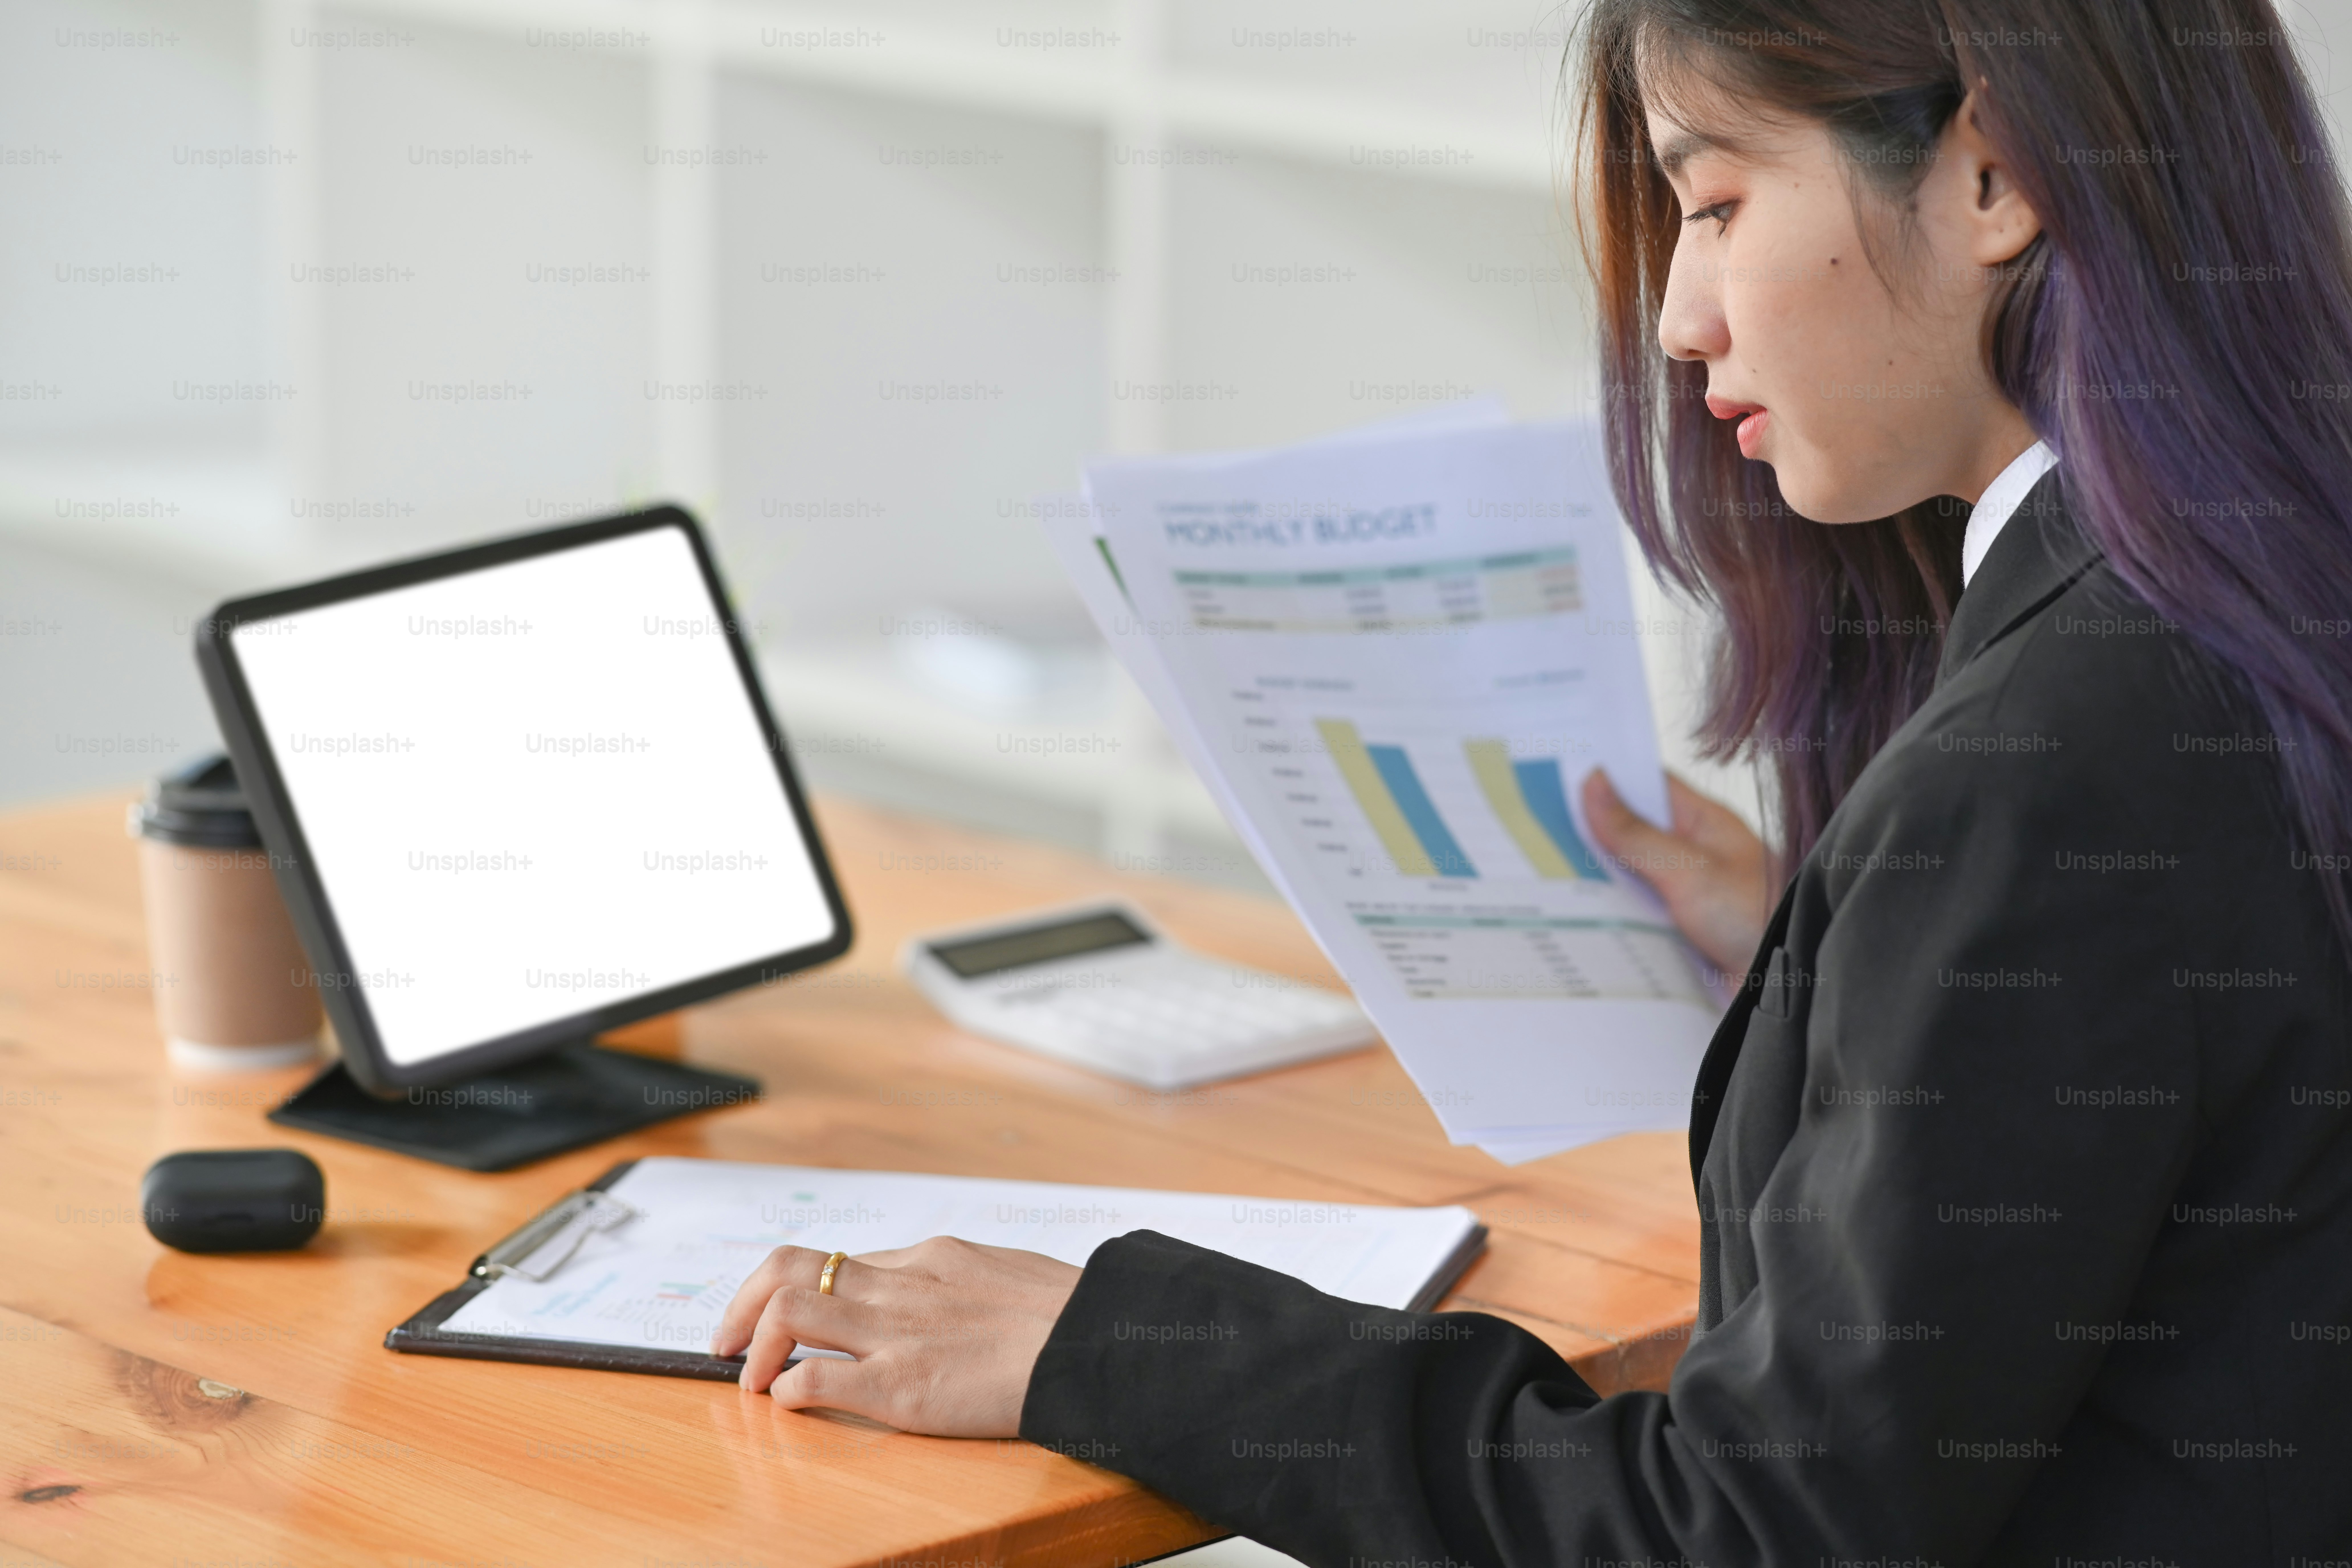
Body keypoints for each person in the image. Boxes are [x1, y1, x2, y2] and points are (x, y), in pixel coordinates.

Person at [713, 1, 2352, 1560]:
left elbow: (1739, 1532)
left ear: (1995, 178)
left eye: (1714, 202)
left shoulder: (2053, 765)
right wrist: (1833, 967)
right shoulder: (2237, 618)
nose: (1676, 318)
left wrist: (1099, 1340)